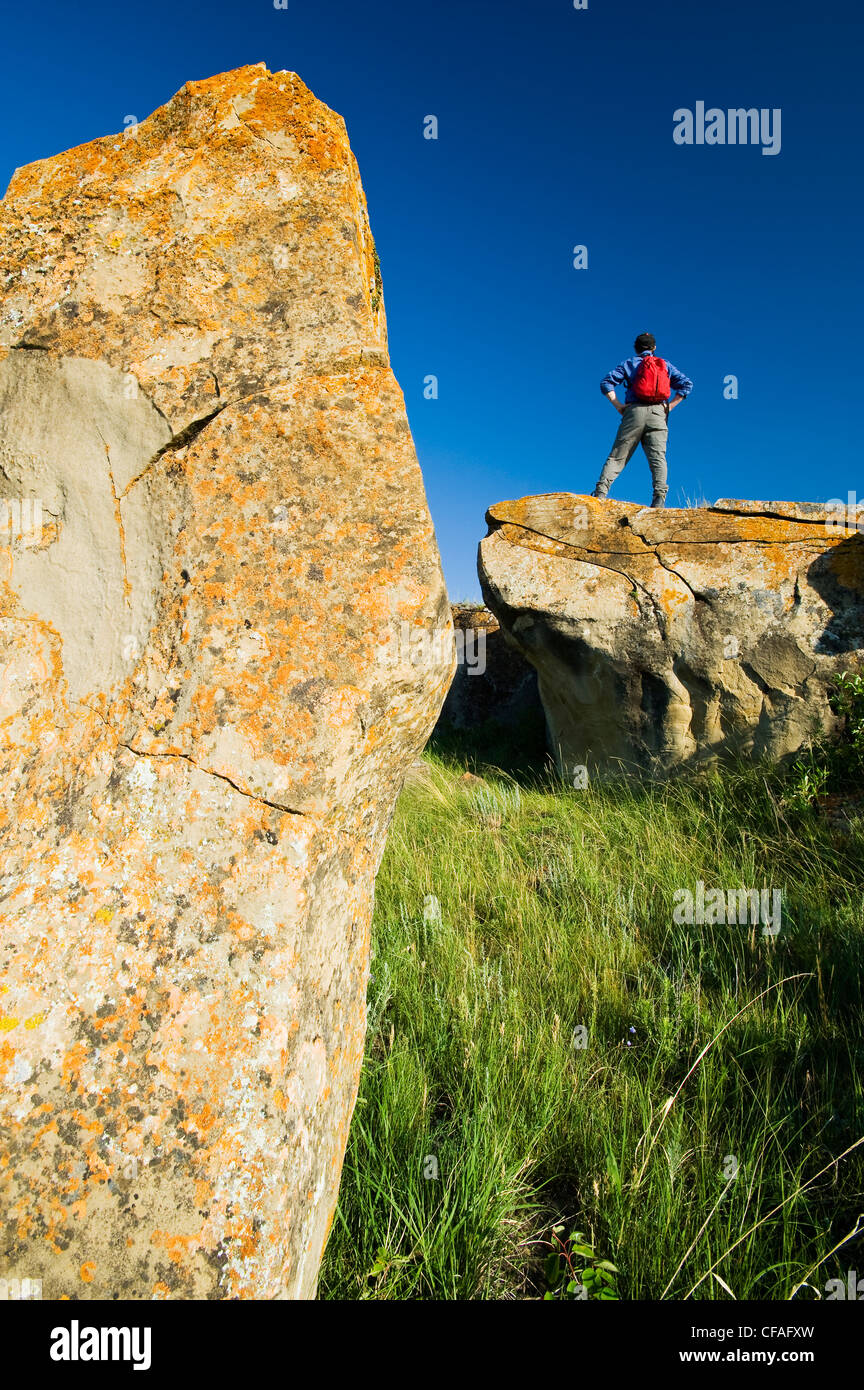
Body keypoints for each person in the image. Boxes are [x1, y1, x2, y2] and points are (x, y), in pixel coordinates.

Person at [592, 332, 693, 508]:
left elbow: (606, 383)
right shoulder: (665, 365)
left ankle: (600, 493)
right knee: (658, 458)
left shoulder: (630, 363)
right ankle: (659, 499)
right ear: (654, 348)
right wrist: (669, 407)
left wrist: (618, 405)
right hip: (658, 415)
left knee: (617, 456)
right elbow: (687, 384)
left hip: (634, 411)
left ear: (636, 348)